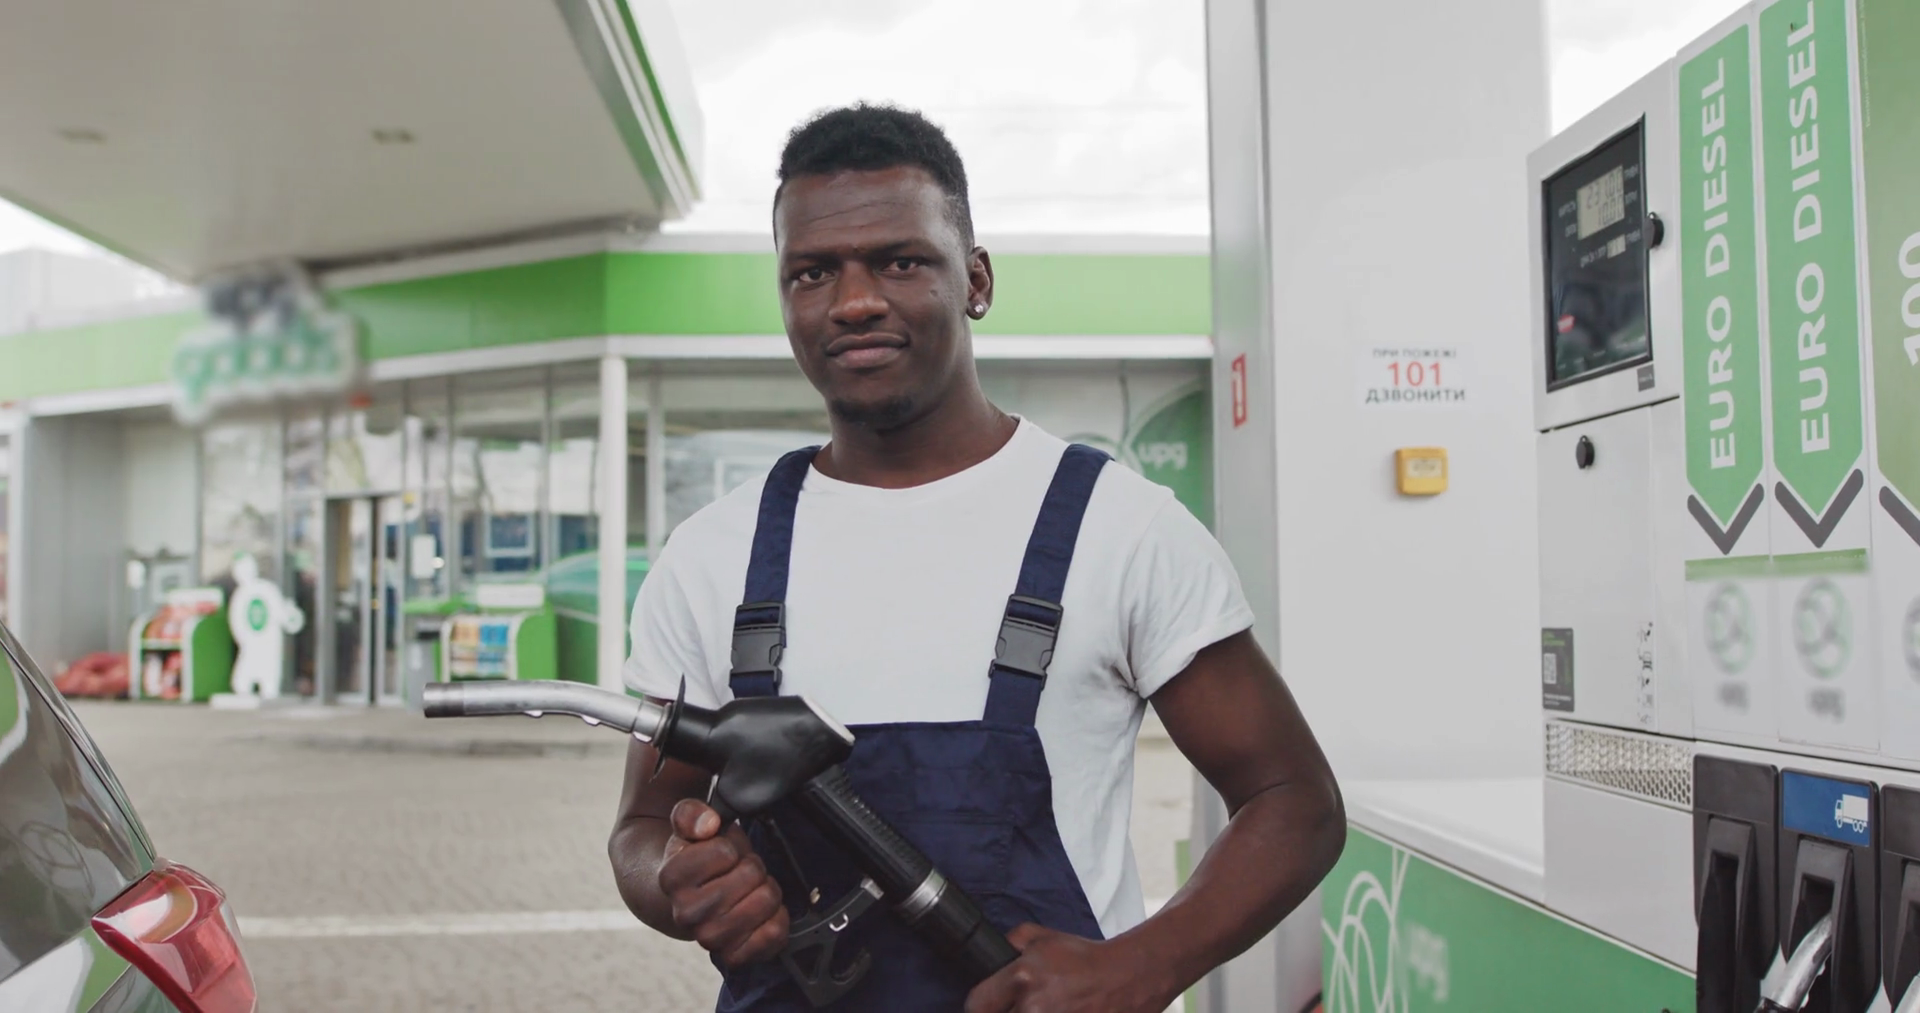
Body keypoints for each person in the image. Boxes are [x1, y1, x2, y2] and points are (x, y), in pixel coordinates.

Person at [610, 104, 1344, 1013]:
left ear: (978, 279)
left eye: (900, 260)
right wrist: (677, 880)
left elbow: (1293, 797)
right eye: (812, 273)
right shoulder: (711, 557)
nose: (854, 301)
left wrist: (1147, 963)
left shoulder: (1119, 529)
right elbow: (643, 827)